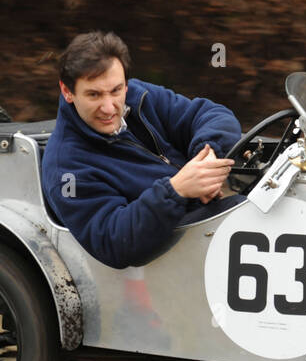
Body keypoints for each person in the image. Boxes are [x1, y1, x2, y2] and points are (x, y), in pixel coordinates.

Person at [41, 31, 241, 268]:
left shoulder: (139, 95)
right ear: (67, 92)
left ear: (125, 83)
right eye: (94, 95)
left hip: (203, 224)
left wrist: (206, 158)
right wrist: (176, 191)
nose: (108, 107)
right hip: (169, 255)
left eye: (116, 90)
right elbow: (113, 242)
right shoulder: (66, 167)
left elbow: (211, 114)